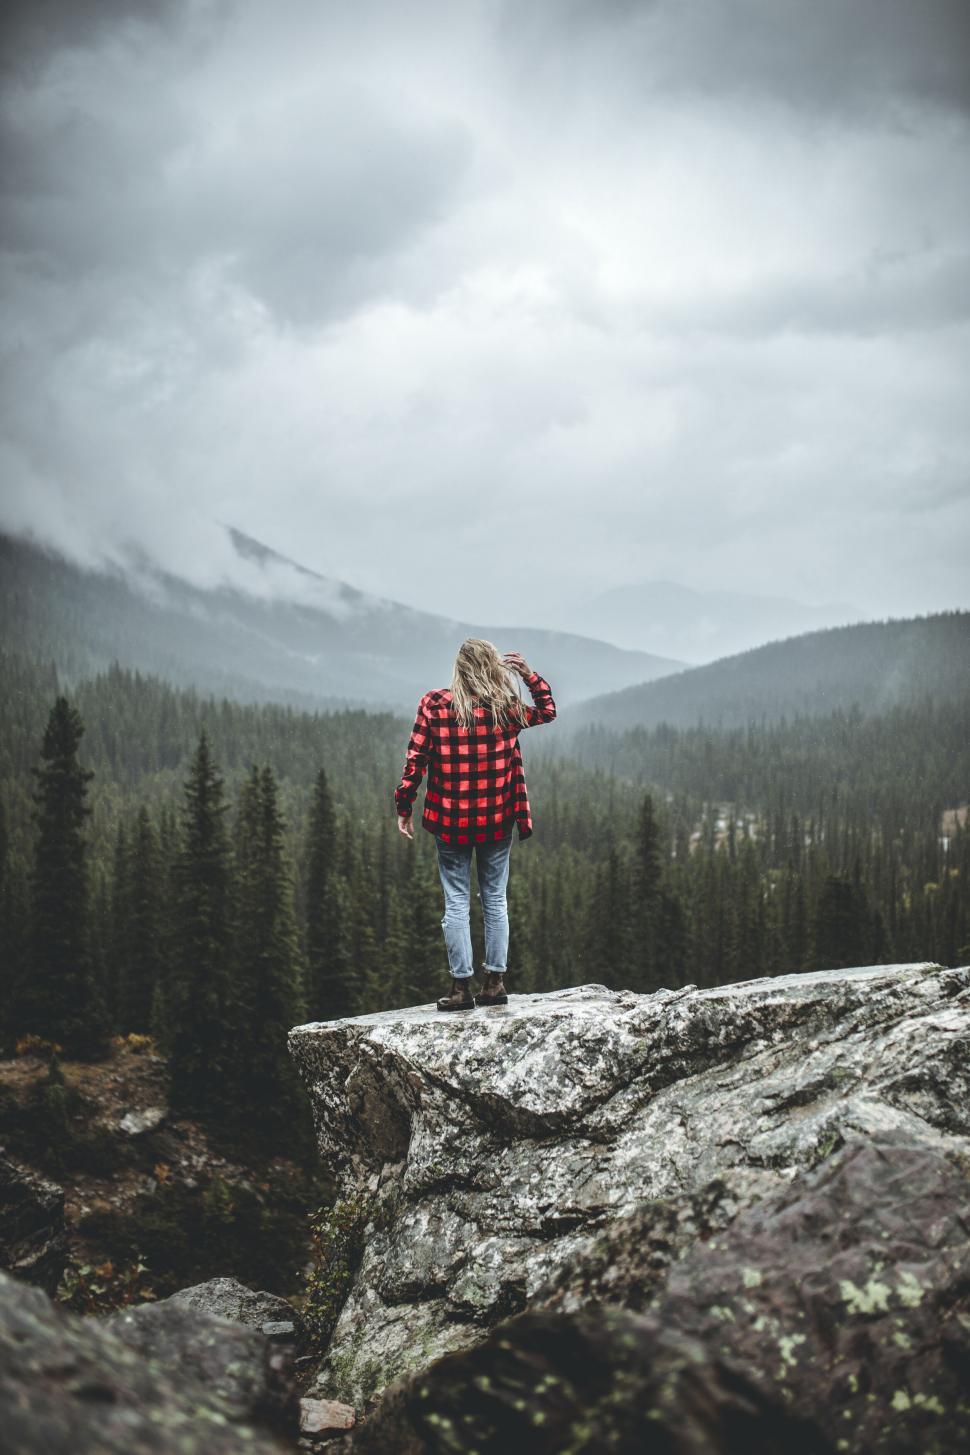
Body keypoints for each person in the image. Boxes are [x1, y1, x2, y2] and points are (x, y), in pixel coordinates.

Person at [394, 639, 557, 1011]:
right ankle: (495, 984)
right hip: (497, 821)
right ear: (493, 667)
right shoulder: (506, 709)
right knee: (494, 899)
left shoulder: (434, 705)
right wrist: (530, 677)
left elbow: (415, 760)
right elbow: (547, 710)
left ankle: (460, 989)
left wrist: (404, 804)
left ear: (459, 668)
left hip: (451, 822)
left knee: (456, 901)